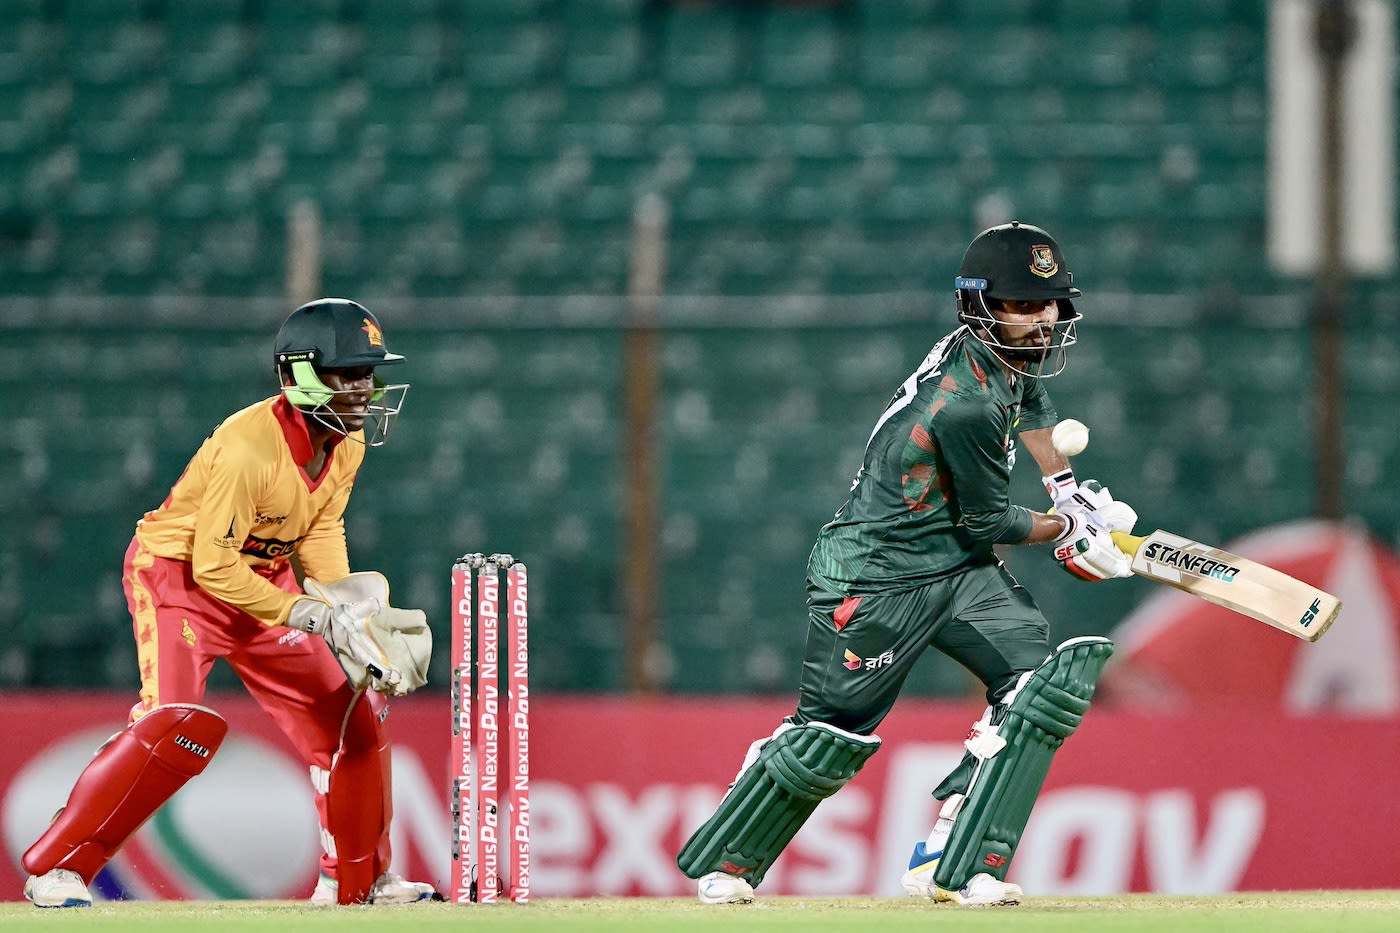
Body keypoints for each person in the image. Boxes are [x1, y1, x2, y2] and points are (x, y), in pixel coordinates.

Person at [676, 222, 1138, 906]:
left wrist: (1068, 490)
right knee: (833, 734)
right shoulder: (966, 403)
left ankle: (953, 856)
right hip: (875, 575)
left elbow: (1034, 407)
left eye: (1049, 304)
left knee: (1038, 687)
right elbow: (992, 520)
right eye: (1022, 304)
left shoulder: (1002, 363)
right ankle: (730, 859)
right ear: (980, 306)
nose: (1042, 319)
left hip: (956, 567)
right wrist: (1068, 528)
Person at [21, 298, 437, 908]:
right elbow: (214, 565)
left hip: (264, 579)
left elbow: (321, 527)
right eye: (350, 374)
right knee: (174, 726)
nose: (365, 390)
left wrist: (348, 609)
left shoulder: (345, 443)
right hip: (181, 579)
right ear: (302, 375)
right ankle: (57, 868)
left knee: (358, 712)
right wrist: (310, 614)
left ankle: (356, 880)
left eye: (369, 374)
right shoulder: (250, 448)